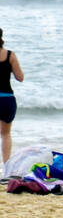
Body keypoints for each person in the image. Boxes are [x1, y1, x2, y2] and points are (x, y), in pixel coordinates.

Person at [0, 30, 25, 165]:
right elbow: (20, 77)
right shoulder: (10, 55)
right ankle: (6, 168)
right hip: (6, 99)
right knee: (5, 134)